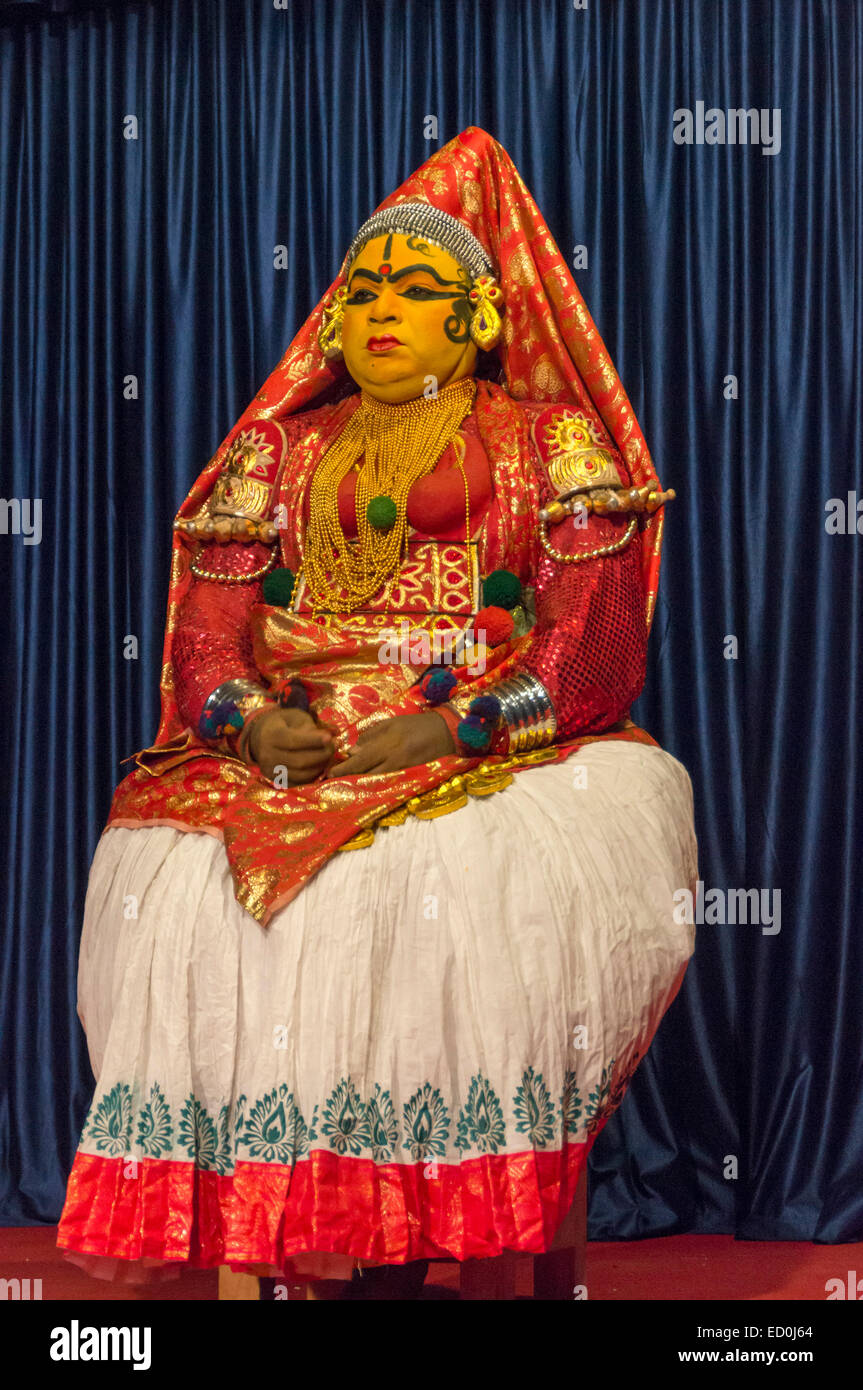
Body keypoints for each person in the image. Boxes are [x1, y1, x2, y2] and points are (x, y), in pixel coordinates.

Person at [57, 127, 697, 1297]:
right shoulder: (274, 452)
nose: (381, 307)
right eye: (361, 288)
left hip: (489, 745)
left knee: (428, 889)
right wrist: (247, 721)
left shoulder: (550, 441)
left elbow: (591, 642)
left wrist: (461, 727)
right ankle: (293, 1223)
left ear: (481, 319)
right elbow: (205, 633)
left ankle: (433, 1226)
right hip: (294, 738)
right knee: (171, 879)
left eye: (417, 287)